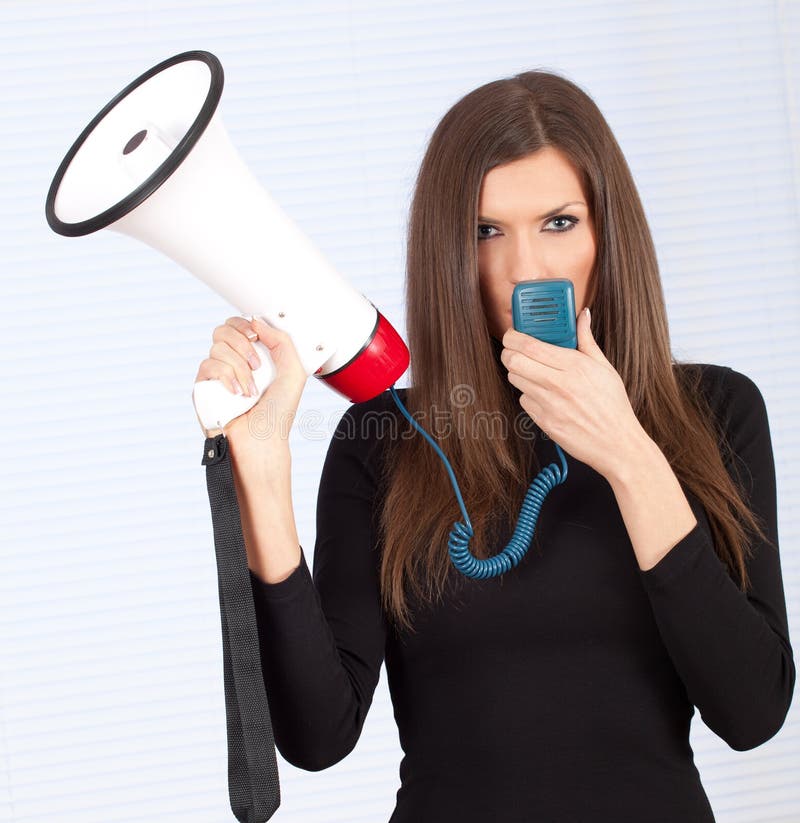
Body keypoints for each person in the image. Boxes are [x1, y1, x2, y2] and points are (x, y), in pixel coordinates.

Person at [194, 69, 795, 822]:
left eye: (559, 223)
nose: (526, 269)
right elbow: (317, 737)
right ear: (448, 250)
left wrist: (629, 452)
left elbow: (753, 710)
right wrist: (262, 471)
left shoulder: (716, 410)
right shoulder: (387, 440)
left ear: (608, 233)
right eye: (486, 232)